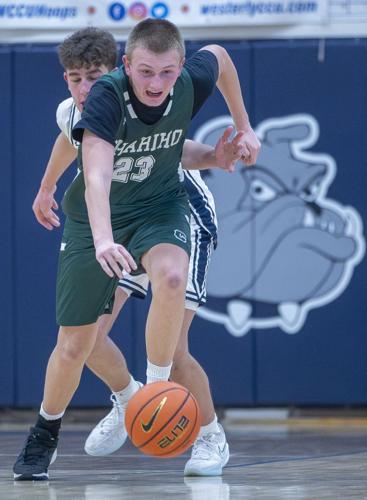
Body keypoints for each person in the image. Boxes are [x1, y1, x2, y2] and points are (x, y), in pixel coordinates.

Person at [14, 22, 260, 481]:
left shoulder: (171, 85)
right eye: (76, 78)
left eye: (94, 76)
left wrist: (239, 133)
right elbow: (84, 158)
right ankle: (131, 397)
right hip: (107, 213)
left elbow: (169, 146)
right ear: (128, 69)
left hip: (169, 209)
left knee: (174, 338)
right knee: (84, 341)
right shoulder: (83, 109)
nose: (87, 88)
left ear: (114, 70)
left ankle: (201, 427)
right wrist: (47, 187)